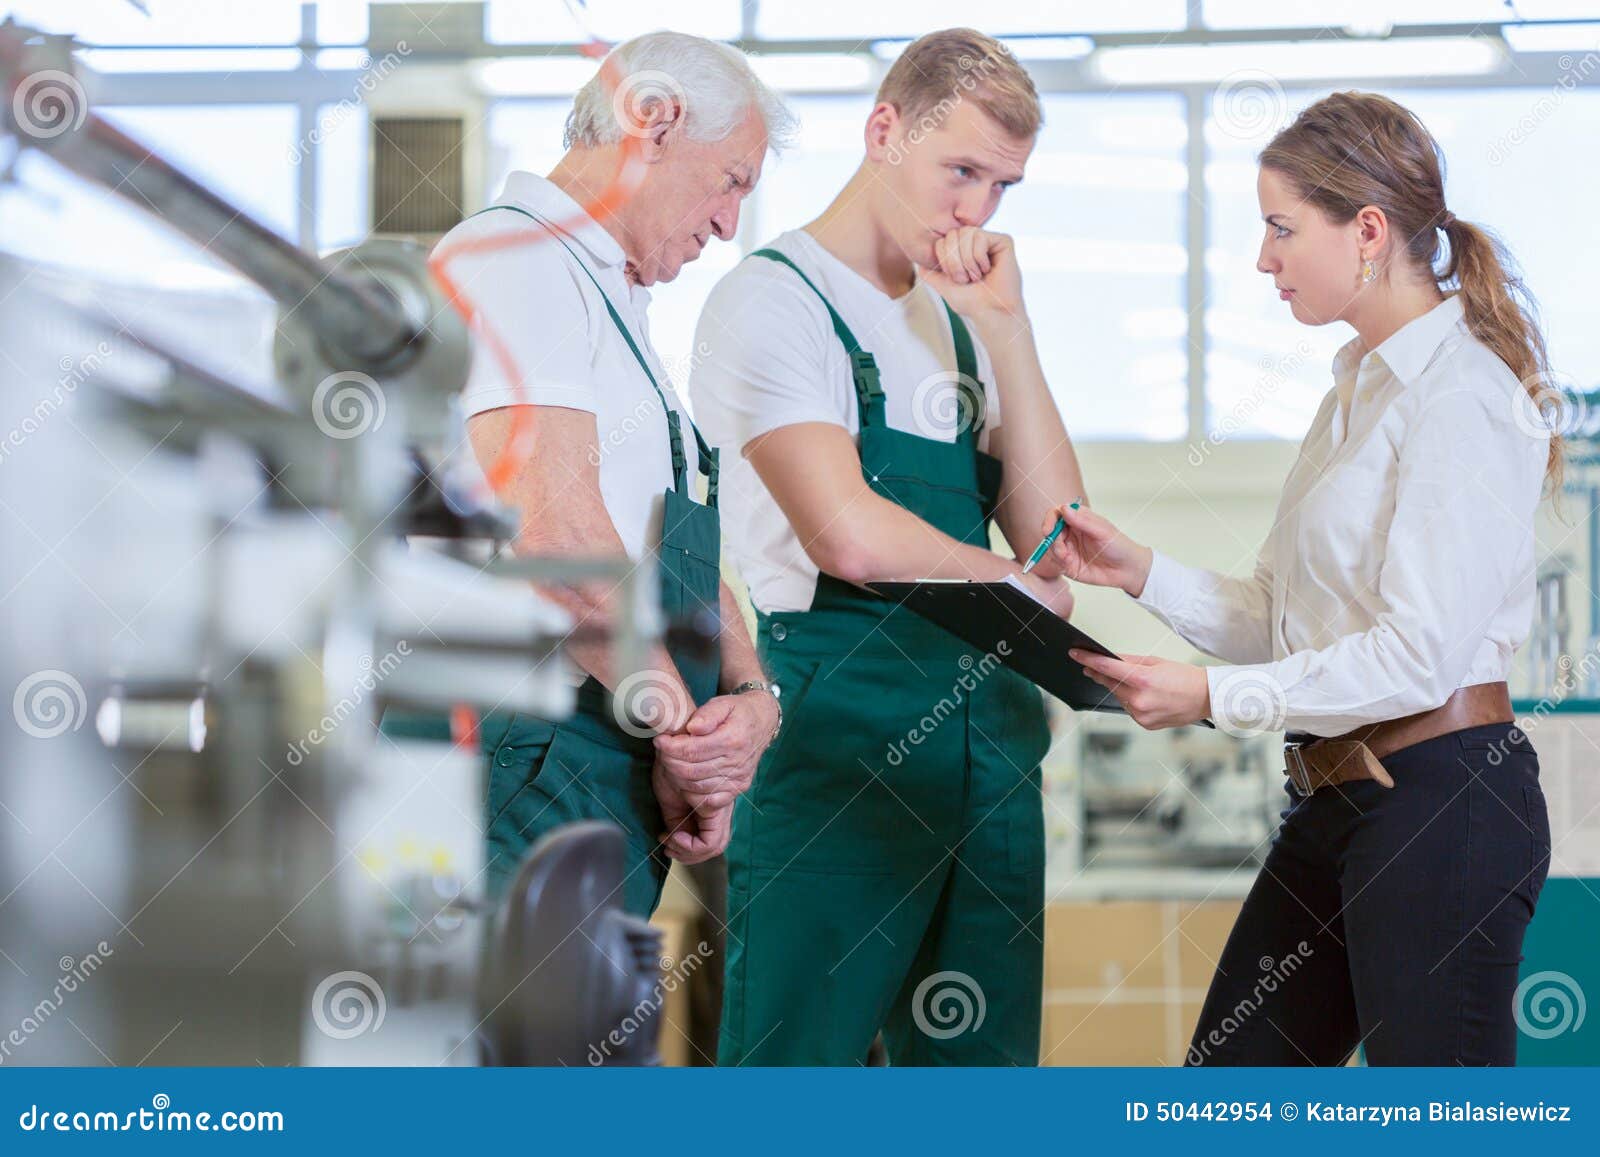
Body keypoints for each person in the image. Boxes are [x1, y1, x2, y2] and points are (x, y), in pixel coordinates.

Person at [1042, 91, 1558, 1066]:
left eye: (1281, 228)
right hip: (1335, 796)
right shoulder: (1350, 392)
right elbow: (1281, 617)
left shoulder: (1460, 395)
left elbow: (1416, 655)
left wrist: (1206, 696)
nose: (1262, 258)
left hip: (1441, 798)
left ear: (1367, 231)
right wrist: (1138, 572)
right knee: (1225, 1096)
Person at [690, 28, 1085, 1065]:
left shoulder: (959, 326)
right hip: (840, 748)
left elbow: (1060, 539)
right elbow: (849, 533)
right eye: (961, 170)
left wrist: (1008, 331)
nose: (976, 211)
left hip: (992, 750)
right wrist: (1022, 589)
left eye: (1002, 186)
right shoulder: (773, 303)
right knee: (794, 1065)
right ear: (882, 130)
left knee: (979, 1082)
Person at [431, 32, 796, 915]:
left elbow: (675, 549)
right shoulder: (515, 256)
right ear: (656, 123)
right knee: (518, 1046)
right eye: (732, 180)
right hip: (533, 750)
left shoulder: (615, 307)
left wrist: (750, 698)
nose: (727, 223)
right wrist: (685, 740)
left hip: (610, 740)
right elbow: (555, 539)